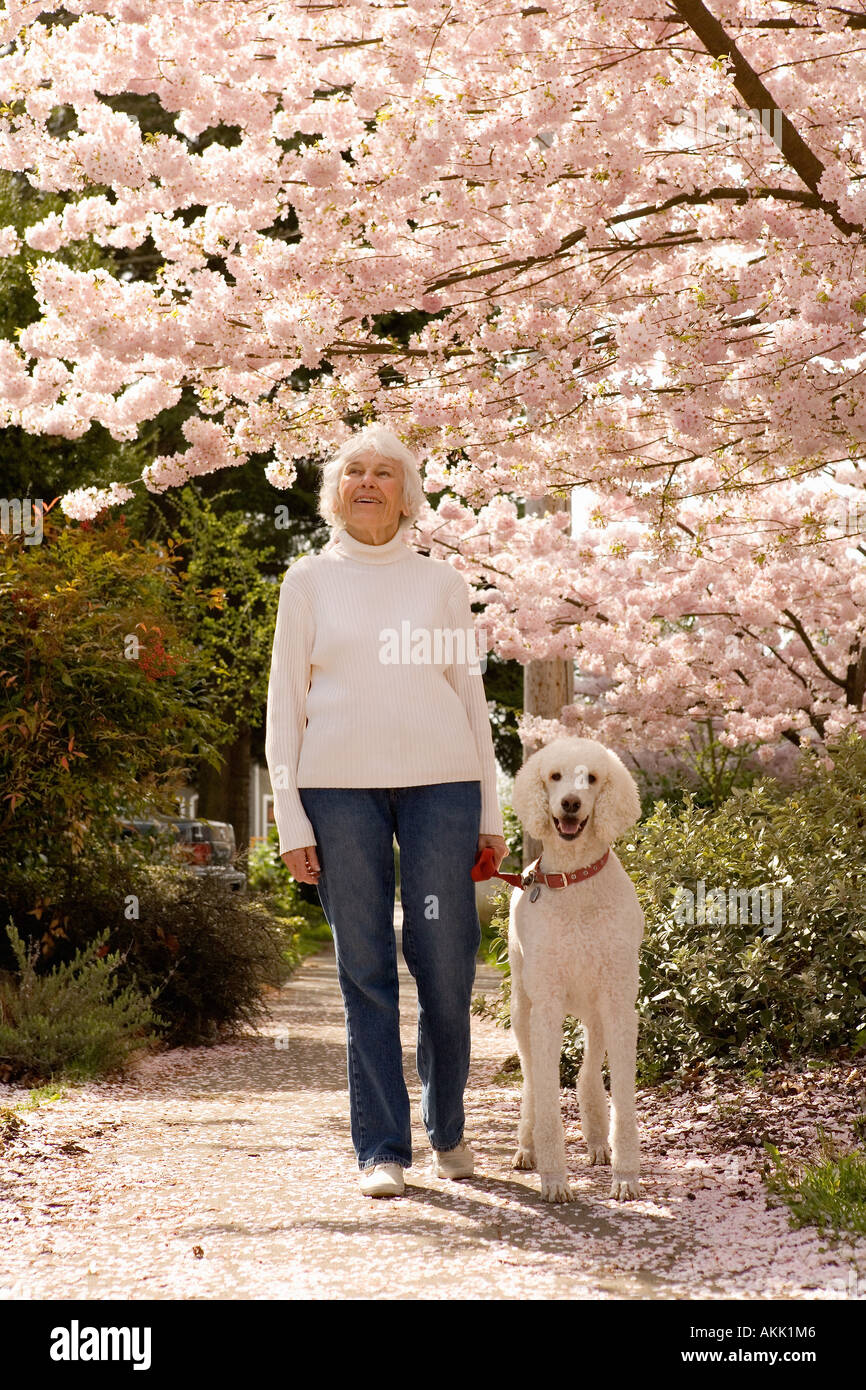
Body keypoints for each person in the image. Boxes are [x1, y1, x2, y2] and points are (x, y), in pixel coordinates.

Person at [265, 424, 507, 1197]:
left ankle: (450, 1129)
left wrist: (489, 812)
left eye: (385, 473)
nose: (369, 483)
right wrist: (290, 820)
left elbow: (470, 695)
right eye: (355, 472)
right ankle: (381, 1149)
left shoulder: (441, 582)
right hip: (337, 791)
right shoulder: (306, 580)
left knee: (444, 962)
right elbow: (284, 707)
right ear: (336, 491)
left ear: (408, 494)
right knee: (363, 968)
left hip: (443, 786)